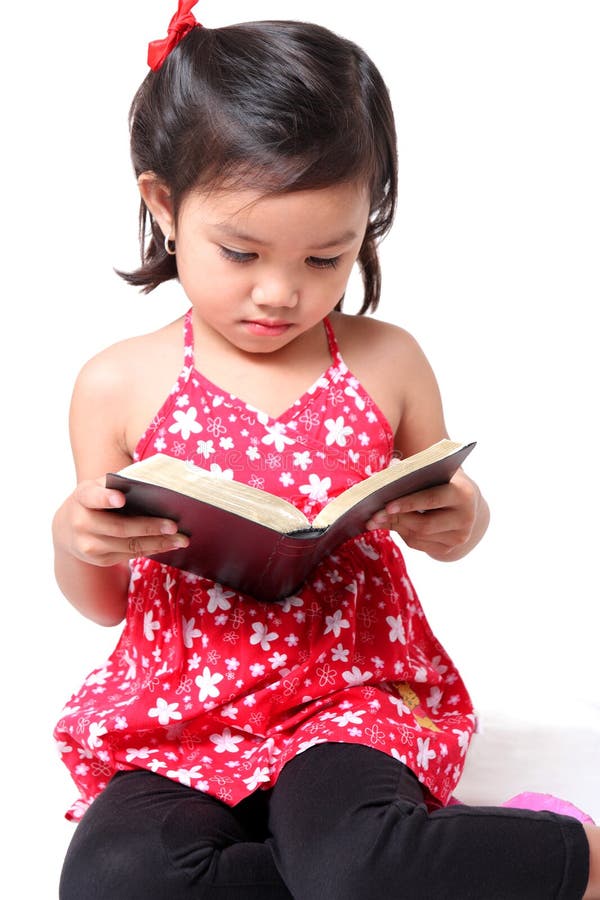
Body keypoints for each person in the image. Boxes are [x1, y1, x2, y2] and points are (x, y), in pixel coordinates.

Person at [53, 3, 599, 898]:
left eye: (325, 259)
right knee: (112, 882)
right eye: (241, 251)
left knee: (351, 867)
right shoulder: (119, 383)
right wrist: (78, 537)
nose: (278, 293)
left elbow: (451, 520)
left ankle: (569, 857)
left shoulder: (387, 360)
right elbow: (102, 602)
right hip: (184, 709)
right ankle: (398, 866)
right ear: (164, 205)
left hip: (350, 698)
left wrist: (458, 518)